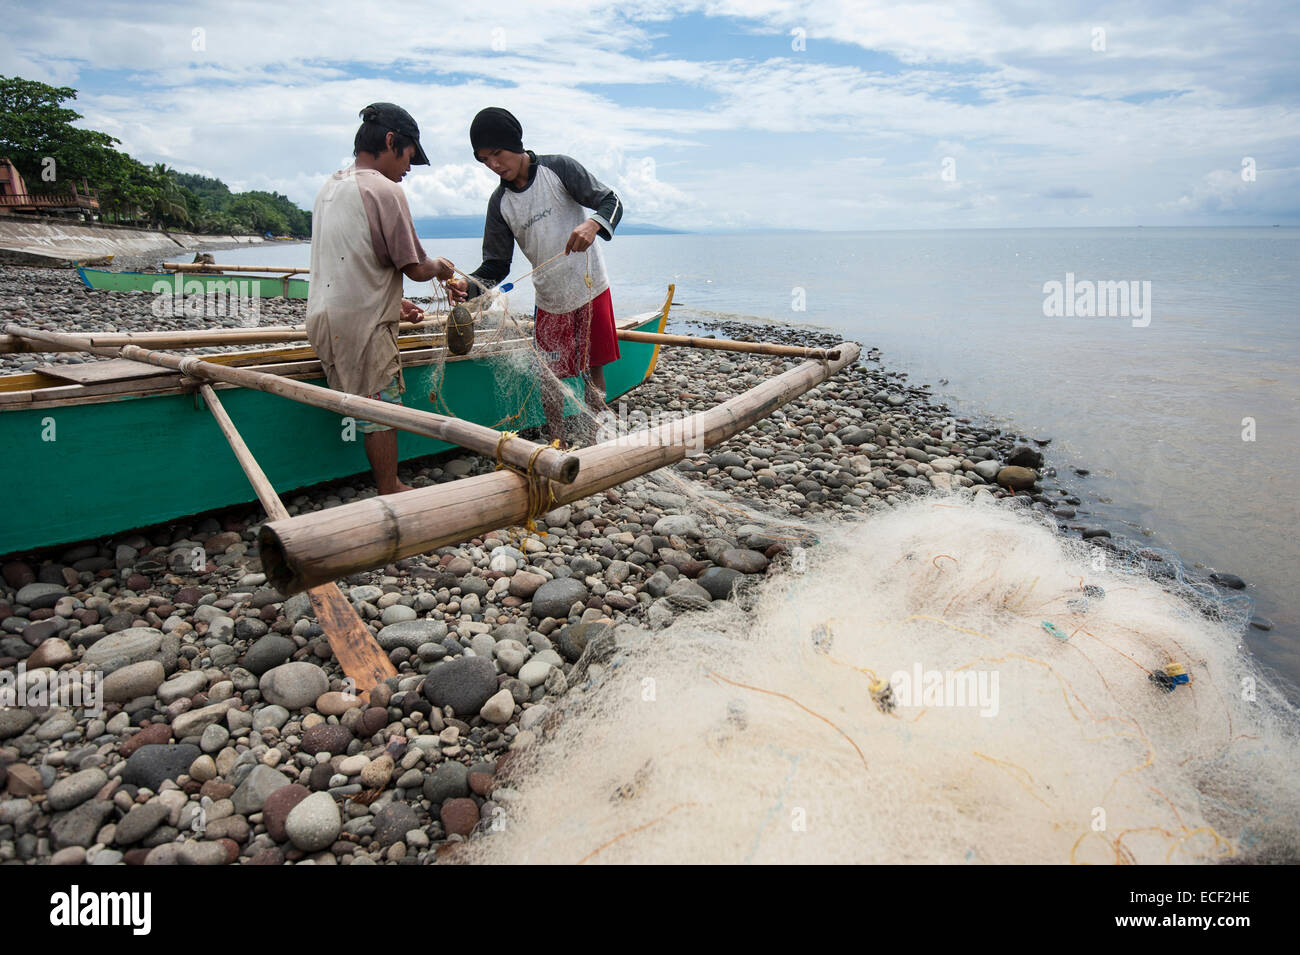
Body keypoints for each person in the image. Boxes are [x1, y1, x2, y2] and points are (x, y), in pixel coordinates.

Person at [306, 102, 462, 495]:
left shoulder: (329, 188)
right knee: (381, 405)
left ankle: (358, 479)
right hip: (362, 325)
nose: (408, 168)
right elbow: (415, 267)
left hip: (324, 318)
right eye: (409, 157)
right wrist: (442, 267)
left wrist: (395, 305)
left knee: (357, 397)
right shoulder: (385, 189)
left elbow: (352, 265)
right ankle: (389, 487)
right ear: (391, 141)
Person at [449, 107, 623, 447]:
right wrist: (467, 285)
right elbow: (495, 265)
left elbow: (611, 200)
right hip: (550, 299)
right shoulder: (500, 203)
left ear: (515, 143)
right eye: (485, 159)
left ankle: (594, 444)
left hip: (590, 288)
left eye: (497, 153)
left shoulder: (559, 169)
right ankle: (556, 443)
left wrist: (593, 224)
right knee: (550, 379)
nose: (494, 165)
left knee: (593, 371)